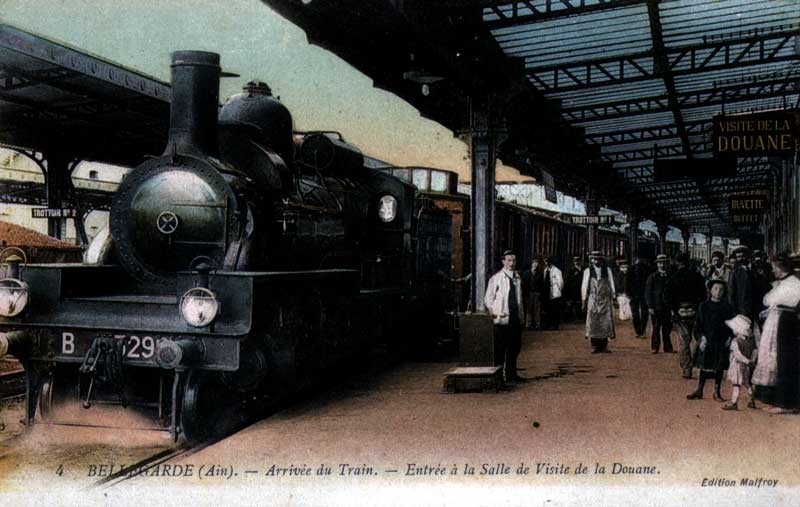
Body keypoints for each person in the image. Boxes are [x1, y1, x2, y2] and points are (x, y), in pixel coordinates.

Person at [752, 254, 800, 411]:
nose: (772, 270)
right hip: (778, 323)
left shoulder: (793, 283)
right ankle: (776, 398)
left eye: (774, 267)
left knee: (784, 360)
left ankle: (787, 403)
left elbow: (788, 304)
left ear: (781, 267)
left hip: (786, 325)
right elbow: (775, 303)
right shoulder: (783, 282)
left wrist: (774, 310)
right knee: (776, 359)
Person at [687, 279, 735, 401]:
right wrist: (701, 338)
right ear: (710, 290)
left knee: (718, 367)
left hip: (720, 341)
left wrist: (729, 337)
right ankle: (699, 390)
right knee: (704, 366)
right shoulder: (704, 306)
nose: (718, 292)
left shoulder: (727, 307)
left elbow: (731, 325)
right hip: (707, 340)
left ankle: (716, 392)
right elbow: (698, 325)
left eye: (721, 290)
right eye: (715, 289)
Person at [665, 252, 707, 378]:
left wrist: (674, 309)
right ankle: (699, 363)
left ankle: (686, 369)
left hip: (680, 314)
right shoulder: (697, 277)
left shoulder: (672, 278)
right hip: (696, 312)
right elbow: (704, 295)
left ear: (677, 263)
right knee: (699, 339)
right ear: (689, 262)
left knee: (684, 341)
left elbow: (666, 297)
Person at [485, 250, 525, 383]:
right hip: (501, 319)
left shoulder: (517, 278)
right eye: (508, 260)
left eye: (513, 260)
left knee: (514, 347)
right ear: (503, 261)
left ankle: (511, 374)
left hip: (515, 318)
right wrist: (495, 312)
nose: (511, 263)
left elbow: (519, 299)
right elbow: (488, 299)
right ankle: (499, 376)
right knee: (500, 349)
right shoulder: (496, 278)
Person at [581, 251, 616, 353]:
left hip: (605, 299)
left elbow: (611, 283)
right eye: (594, 259)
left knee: (605, 322)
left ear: (602, 260)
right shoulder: (588, 271)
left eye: (598, 259)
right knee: (593, 321)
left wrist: (613, 297)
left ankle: (604, 346)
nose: (596, 261)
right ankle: (594, 345)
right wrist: (584, 299)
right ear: (592, 260)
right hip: (593, 298)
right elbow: (584, 286)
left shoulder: (607, 270)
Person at [722, 314, 757, 411]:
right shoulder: (751, 341)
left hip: (737, 365)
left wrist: (746, 360)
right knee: (747, 383)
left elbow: (737, 355)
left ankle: (734, 402)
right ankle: (751, 400)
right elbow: (755, 350)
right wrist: (751, 361)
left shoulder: (735, 341)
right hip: (747, 366)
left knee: (736, 384)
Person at [646, 255, 673, 354]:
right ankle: (655, 347)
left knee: (667, 328)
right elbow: (648, 293)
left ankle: (668, 347)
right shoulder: (652, 277)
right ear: (657, 264)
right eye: (660, 263)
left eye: (664, 263)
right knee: (656, 328)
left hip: (667, 307)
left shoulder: (671, 276)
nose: (662, 265)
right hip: (656, 307)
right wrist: (650, 306)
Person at [627, 257, 650, 338]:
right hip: (638, 295)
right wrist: (629, 294)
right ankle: (640, 331)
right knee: (640, 314)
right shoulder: (646, 270)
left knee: (640, 314)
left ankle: (640, 331)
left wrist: (629, 294)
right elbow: (627, 283)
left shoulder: (632, 270)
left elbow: (627, 283)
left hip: (640, 295)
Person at [522, 256, 545, 330]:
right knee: (529, 309)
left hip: (537, 293)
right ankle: (528, 324)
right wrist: (525, 294)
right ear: (531, 264)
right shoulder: (526, 273)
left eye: (537, 263)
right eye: (534, 263)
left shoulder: (540, 274)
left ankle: (537, 325)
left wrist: (540, 293)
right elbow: (524, 284)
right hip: (529, 293)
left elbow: (542, 285)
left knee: (537, 310)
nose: (535, 265)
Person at [542, 257, 564, 330]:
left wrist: (558, 290)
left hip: (555, 293)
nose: (546, 263)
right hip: (547, 292)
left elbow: (561, 282)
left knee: (555, 310)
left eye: (547, 262)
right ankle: (548, 324)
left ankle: (555, 325)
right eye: (545, 262)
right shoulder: (545, 270)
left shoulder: (557, 270)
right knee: (548, 310)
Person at [563, 257, 584, 322]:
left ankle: (579, 317)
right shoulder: (571, 270)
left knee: (579, 303)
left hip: (581, 288)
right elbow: (567, 280)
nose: (576, 262)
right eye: (575, 261)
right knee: (572, 303)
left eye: (578, 261)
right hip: (573, 289)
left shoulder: (583, 269)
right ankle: (570, 318)